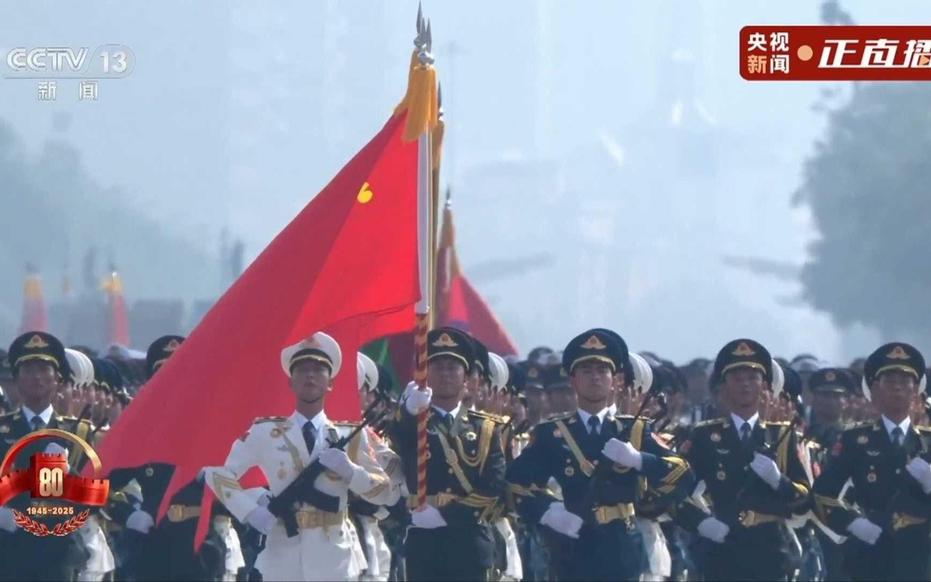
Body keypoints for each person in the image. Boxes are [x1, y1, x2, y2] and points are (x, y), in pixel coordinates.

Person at [204, 332, 398, 581]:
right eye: (303, 370)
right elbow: (216, 471)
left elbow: (387, 493)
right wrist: (250, 511)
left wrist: (352, 472)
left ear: (330, 383)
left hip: (335, 558)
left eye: (318, 370)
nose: (310, 376)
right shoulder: (266, 432)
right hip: (283, 554)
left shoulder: (349, 434)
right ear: (290, 382)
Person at [507, 329, 693, 581]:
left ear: (615, 380)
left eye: (602, 371)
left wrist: (640, 460)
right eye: (586, 371)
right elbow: (515, 482)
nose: (595, 377)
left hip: (621, 546)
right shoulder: (552, 433)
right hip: (572, 546)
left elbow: (682, 473)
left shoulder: (634, 430)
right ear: (573, 380)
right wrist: (548, 511)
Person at [674, 339, 811, 581]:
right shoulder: (704, 435)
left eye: (752, 378)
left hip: (772, 549)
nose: (745, 385)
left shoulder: (781, 435)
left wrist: (778, 481)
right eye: (737, 378)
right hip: (723, 548)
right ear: (724, 386)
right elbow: (676, 490)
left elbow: (804, 499)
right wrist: (701, 522)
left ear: (765, 386)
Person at [391, 327, 507, 581]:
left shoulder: (485, 427)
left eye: (453, 367)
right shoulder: (414, 422)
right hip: (424, 542)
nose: (445, 374)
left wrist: (445, 515)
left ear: (466, 377)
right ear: (425, 374)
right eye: (437, 367)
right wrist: (409, 409)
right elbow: (398, 438)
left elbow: (494, 486)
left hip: (470, 542)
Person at [813, 343, 931, 581]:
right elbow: (822, 494)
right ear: (875, 390)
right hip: (870, 554)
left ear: (916, 391)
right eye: (889, 381)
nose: (897, 387)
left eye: (905, 381)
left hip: (920, 555)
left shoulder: (927, 442)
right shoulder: (855, 439)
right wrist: (853, 523)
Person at [0, 331, 98, 581]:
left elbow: (96, 498)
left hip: (60, 554)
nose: (36, 377)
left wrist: (69, 475)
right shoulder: (3, 430)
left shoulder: (77, 432)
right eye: (28, 370)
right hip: (9, 552)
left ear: (58, 379)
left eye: (44, 369)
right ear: (16, 379)